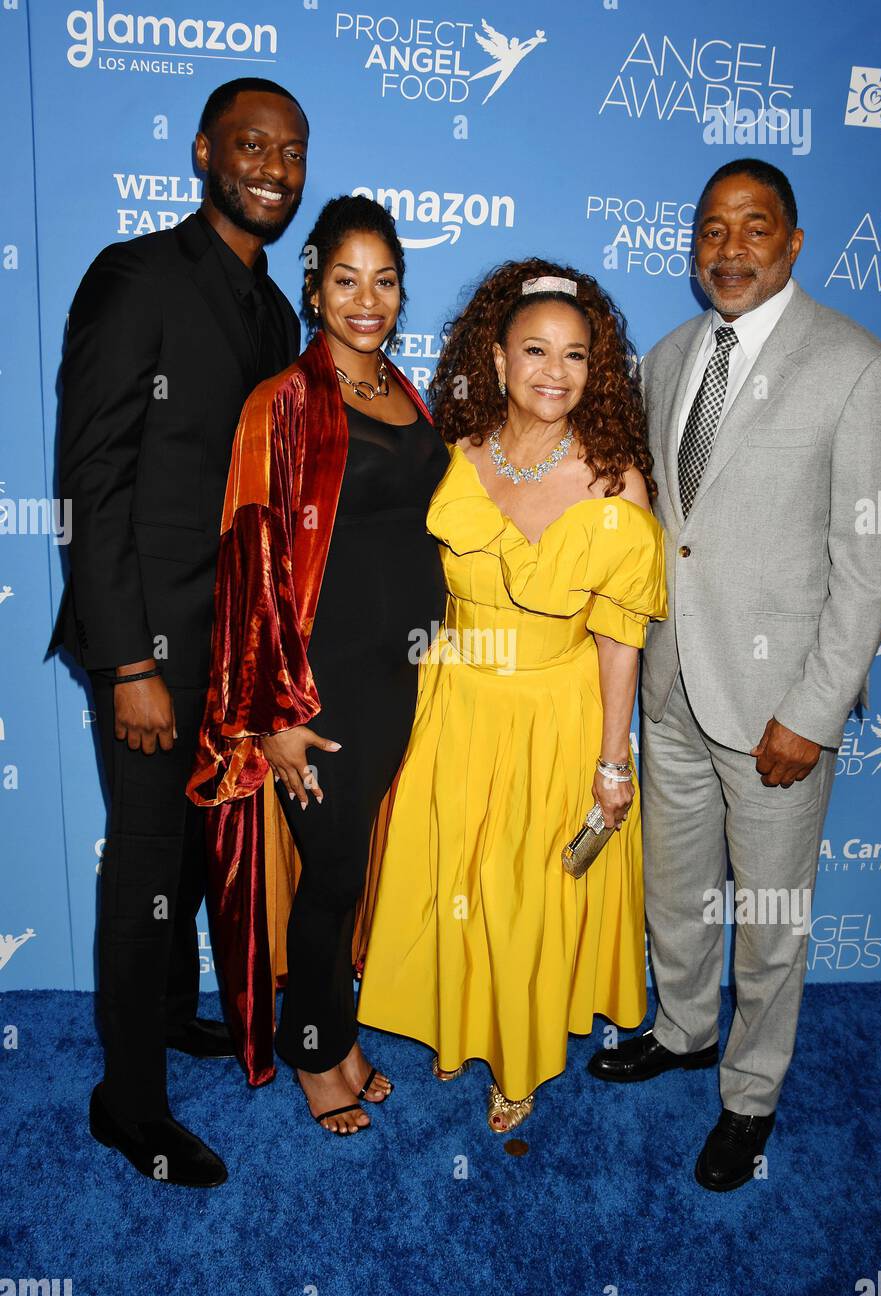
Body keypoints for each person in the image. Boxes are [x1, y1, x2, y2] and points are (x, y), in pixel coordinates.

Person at [588, 159, 881, 1191]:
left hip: (777, 708)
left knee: (770, 918)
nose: (730, 249)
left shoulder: (857, 368)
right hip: (674, 689)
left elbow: (870, 564)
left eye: (754, 228)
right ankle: (685, 1030)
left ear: (795, 243)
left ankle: (750, 1093)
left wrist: (813, 713)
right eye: (712, 230)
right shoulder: (671, 356)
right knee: (676, 889)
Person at [48, 78, 309, 1187]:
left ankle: (165, 1018)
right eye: (252, 144)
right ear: (204, 151)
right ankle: (129, 1102)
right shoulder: (136, 276)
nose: (272, 166)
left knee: (202, 856)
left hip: (238, 646)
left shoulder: (279, 314)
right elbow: (90, 477)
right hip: (150, 644)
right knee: (148, 858)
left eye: (292, 152)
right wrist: (129, 660)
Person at [356, 259, 668, 1132]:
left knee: (530, 896)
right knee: (464, 883)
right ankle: (464, 1027)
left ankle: (520, 1064)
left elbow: (619, 638)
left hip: (556, 718)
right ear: (496, 360)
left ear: (594, 369)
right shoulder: (451, 462)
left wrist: (614, 760)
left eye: (574, 355)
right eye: (534, 350)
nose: (553, 373)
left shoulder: (615, 485)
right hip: (456, 708)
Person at [187, 195, 449, 1136]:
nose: (366, 299)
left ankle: (338, 1036)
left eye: (385, 281)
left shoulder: (404, 393)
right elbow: (253, 565)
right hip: (320, 683)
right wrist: (275, 712)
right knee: (331, 869)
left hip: (400, 675)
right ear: (315, 285)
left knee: (355, 867)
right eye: (346, 279)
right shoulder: (283, 404)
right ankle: (312, 1052)